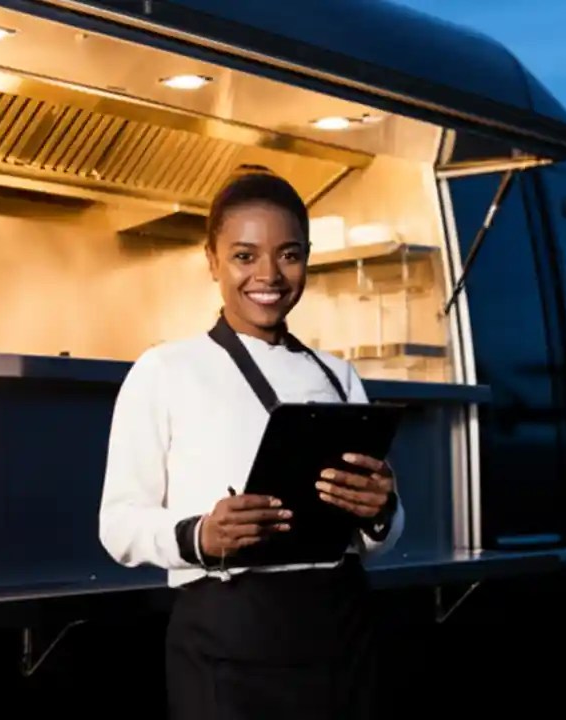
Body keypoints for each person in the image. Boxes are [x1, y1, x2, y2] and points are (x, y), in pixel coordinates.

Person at [98, 166, 404, 719]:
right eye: (244, 256)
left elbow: (376, 542)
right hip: (228, 637)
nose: (269, 274)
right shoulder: (165, 369)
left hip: (341, 629)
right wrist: (201, 535)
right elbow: (118, 524)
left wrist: (382, 511)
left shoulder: (340, 377)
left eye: (288, 254)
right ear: (212, 259)